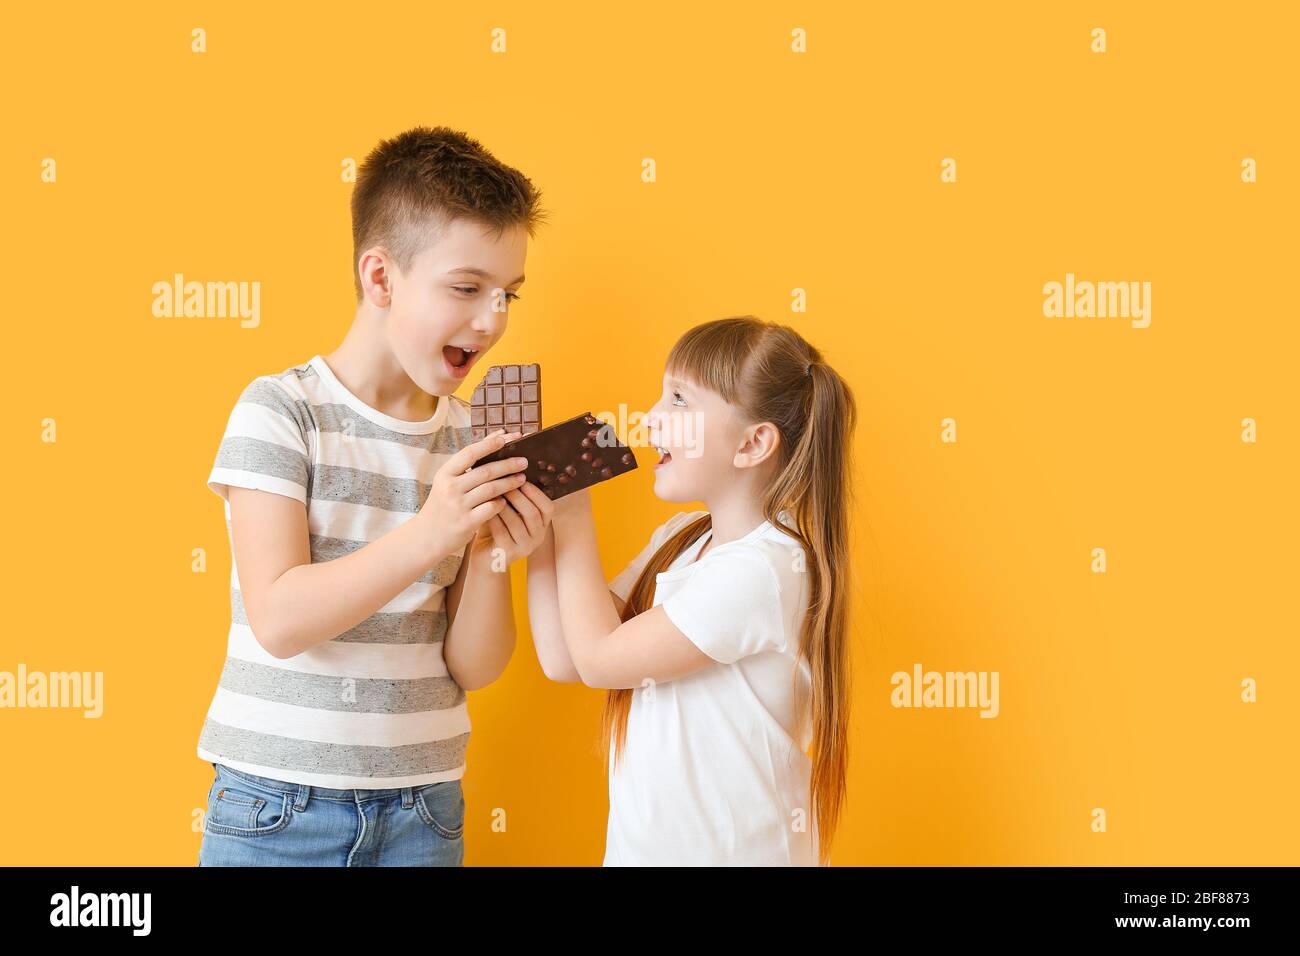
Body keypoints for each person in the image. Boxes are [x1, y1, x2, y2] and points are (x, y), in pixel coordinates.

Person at [197, 126, 553, 866]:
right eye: (467, 288)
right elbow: (281, 618)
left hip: (426, 808)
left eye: (507, 294)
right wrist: (433, 531)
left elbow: (476, 669)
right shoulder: (280, 411)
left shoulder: (470, 442)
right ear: (381, 278)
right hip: (277, 806)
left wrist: (490, 555)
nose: (493, 320)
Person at [527, 316, 857, 865]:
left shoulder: (766, 568)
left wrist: (575, 507)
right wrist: (542, 527)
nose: (652, 417)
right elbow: (566, 655)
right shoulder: (681, 541)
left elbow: (599, 659)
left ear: (753, 443)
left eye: (679, 400)